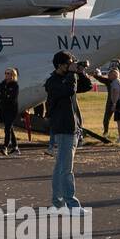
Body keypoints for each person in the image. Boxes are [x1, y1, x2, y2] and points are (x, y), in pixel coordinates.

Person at [43, 51, 84, 210]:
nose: (70, 66)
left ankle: (58, 203)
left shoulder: (67, 78)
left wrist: (81, 72)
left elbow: (85, 86)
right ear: (60, 65)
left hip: (70, 127)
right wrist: (73, 74)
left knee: (61, 167)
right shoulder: (53, 82)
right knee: (66, 168)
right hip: (63, 128)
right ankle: (71, 204)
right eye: (68, 64)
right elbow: (69, 90)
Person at [0, 68, 20, 156]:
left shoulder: (15, 85)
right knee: (9, 128)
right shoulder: (2, 84)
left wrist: (4, 96)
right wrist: (5, 96)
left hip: (12, 110)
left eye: (8, 73)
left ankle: (5, 146)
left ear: (13, 75)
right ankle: (15, 147)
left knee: (7, 129)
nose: (6, 75)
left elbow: (12, 98)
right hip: (4, 109)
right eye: (5, 73)